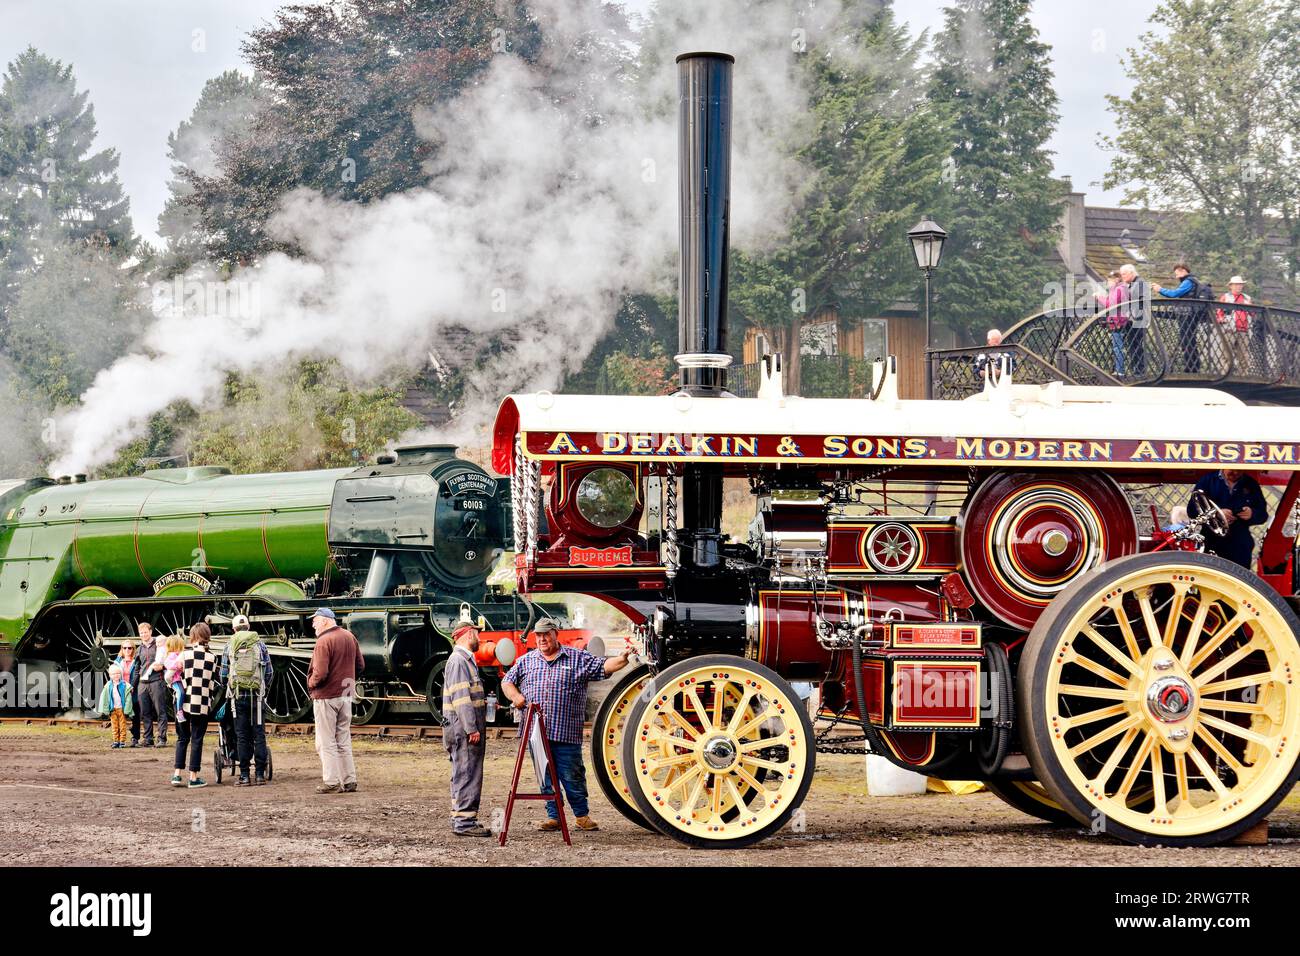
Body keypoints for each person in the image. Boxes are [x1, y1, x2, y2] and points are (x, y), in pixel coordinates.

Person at [499, 619, 632, 832]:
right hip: (536, 734)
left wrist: (623, 659)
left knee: (573, 775)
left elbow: (603, 667)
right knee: (545, 775)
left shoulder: (577, 657)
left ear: (555, 634)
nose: (542, 639)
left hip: (566, 732)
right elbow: (507, 681)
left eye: (546, 635)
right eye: (539, 636)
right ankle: (554, 817)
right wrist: (516, 696)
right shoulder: (526, 660)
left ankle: (582, 816)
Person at [441, 624, 492, 838]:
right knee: (467, 772)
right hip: (463, 730)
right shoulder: (459, 661)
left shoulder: (463, 661)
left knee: (464, 772)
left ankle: (462, 817)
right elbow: (461, 699)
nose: (479, 638)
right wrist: (472, 728)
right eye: (477, 634)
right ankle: (464, 822)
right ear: (469, 634)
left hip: (460, 728)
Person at [306, 608, 364, 794]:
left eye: (315, 620)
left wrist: (311, 684)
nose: (313, 624)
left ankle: (331, 781)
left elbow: (320, 673)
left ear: (324, 621)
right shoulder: (349, 636)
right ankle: (349, 780)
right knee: (343, 739)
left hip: (326, 696)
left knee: (326, 741)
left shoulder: (323, 641)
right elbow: (360, 665)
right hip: (345, 695)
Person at [220, 614, 273, 786]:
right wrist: (263, 690)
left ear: (233, 629)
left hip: (237, 695)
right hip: (257, 696)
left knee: (241, 735)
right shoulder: (260, 644)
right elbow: (269, 672)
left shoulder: (229, 645)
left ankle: (244, 775)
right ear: (248, 627)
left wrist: (227, 687)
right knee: (259, 734)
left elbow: (223, 674)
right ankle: (259, 775)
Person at [1188, 469, 1268, 568]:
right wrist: (1217, 513)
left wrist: (1252, 514)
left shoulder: (1250, 484)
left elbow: (1263, 515)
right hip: (1211, 542)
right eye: (1232, 470)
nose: (1236, 473)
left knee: (1239, 579)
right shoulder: (1208, 481)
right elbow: (1192, 510)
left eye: (1239, 470)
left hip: (1239, 546)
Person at [171, 623, 218, 788]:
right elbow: (212, 683)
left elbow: (169, 675)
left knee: (182, 738)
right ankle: (193, 777)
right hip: (202, 704)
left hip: (183, 704)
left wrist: (178, 685)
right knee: (197, 740)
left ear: (192, 636)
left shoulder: (185, 655)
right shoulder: (212, 658)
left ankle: (177, 775)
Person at [1153, 263, 1207, 373]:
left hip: (1187, 314)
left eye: (1177, 273)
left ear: (1182, 270)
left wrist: (1160, 289)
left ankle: (1192, 367)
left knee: (1187, 340)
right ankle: (1193, 366)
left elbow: (1174, 294)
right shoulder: (1193, 280)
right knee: (1189, 339)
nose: (1176, 275)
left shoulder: (1188, 281)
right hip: (1190, 314)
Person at [133, 622, 169, 747]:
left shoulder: (159, 645)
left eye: (145, 632)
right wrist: (133, 685)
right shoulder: (139, 649)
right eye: (141, 633)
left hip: (156, 681)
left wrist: (163, 667)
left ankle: (162, 738)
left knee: (160, 711)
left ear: (150, 632)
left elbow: (167, 661)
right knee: (145, 712)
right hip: (142, 683)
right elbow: (137, 668)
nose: (143, 634)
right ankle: (148, 738)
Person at [1096, 270, 1130, 375]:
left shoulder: (1119, 289)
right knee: (1117, 347)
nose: (1108, 283)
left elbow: (1111, 304)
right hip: (1118, 320)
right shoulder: (1118, 289)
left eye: (1110, 280)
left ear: (1116, 279)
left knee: (1117, 347)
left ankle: (1120, 371)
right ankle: (1118, 370)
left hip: (1118, 321)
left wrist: (1098, 297)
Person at [1216, 276, 1253, 372]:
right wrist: (1220, 318)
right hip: (1229, 329)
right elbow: (1219, 312)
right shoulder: (1225, 297)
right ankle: (1225, 373)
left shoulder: (1247, 298)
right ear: (1230, 286)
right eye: (1236, 284)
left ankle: (1243, 376)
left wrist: (1250, 307)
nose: (1238, 286)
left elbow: (1253, 313)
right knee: (1226, 354)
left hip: (1244, 330)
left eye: (1240, 284)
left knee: (1244, 356)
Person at [1117, 264, 1149, 375]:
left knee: (1136, 345)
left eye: (1124, 274)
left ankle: (1140, 370)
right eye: (1121, 275)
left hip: (1138, 319)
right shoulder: (1132, 284)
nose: (1122, 277)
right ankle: (1137, 369)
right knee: (1132, 345)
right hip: (1133, 319)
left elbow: (1141, 300)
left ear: (1131, 272)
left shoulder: (1139, 283)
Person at [96, 663, 134, 749]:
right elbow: (104, 698)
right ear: (110, 675)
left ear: (121, 674)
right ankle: (115, 741)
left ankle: (122, 741)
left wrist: (127, 709)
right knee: (114, 725)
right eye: (113, 674)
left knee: (122, 725)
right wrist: (106, 709)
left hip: (121, 709)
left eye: (118, 673)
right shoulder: (108, 686)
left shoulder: (125, 685)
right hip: (113, 709)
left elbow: (128, 698)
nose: (116, 675)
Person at [113, 640, 140, 747]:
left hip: (134, 691)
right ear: (122, 649)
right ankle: (119, 739)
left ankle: (135, 738)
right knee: (119, 716)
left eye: (130, 648)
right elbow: (113, 671)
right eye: (124, 648)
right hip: (121, 691)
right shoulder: (119, 662)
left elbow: (137, 675)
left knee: (135, 716)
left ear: (133, 649)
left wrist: (132, 686)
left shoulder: (136, 661)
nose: (127, 650)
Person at [162, 635, 186, 725]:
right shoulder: (170, 656)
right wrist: (177, 665)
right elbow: (168, 664)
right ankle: (179, 712)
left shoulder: (179, 655)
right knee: (180, 692)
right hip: (175, 680)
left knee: (182, 692)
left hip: (180, 679)